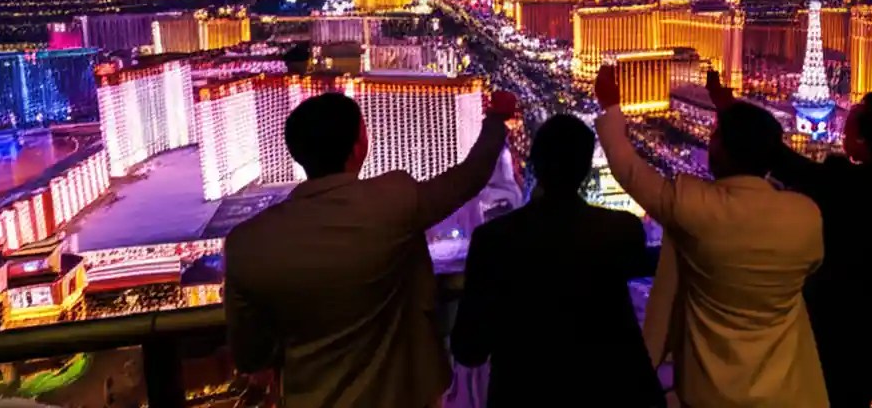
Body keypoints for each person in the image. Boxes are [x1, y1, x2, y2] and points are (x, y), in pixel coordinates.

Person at [224, 89, 518, 408]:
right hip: (404, 396)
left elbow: (251, 355)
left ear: (296, 152)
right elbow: (468, 178)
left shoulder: (247, 245)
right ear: (359, 147)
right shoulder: (394, 200)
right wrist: (495, 119)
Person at [713, 72, 872, 408]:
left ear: (863, 142)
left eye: (850, 124)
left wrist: (729, 110)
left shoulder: (840, 186)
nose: (842, 127)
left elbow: (778, 158)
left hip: (847, 331)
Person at [594, 65, 827, 408]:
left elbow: (628, 167)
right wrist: (728, 109)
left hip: (710, 390)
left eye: (716, 137)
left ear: (722, 152)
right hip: (789, 389)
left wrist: (611, 106)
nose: (710, 141)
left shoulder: (691, 205)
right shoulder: (806, 217)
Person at [451, 113, 664, 408]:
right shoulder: (620, 230)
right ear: (587, 168)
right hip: (609, 392)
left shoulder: (494, 240)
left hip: (524, 393)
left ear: (534, 164)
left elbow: (469, 348)